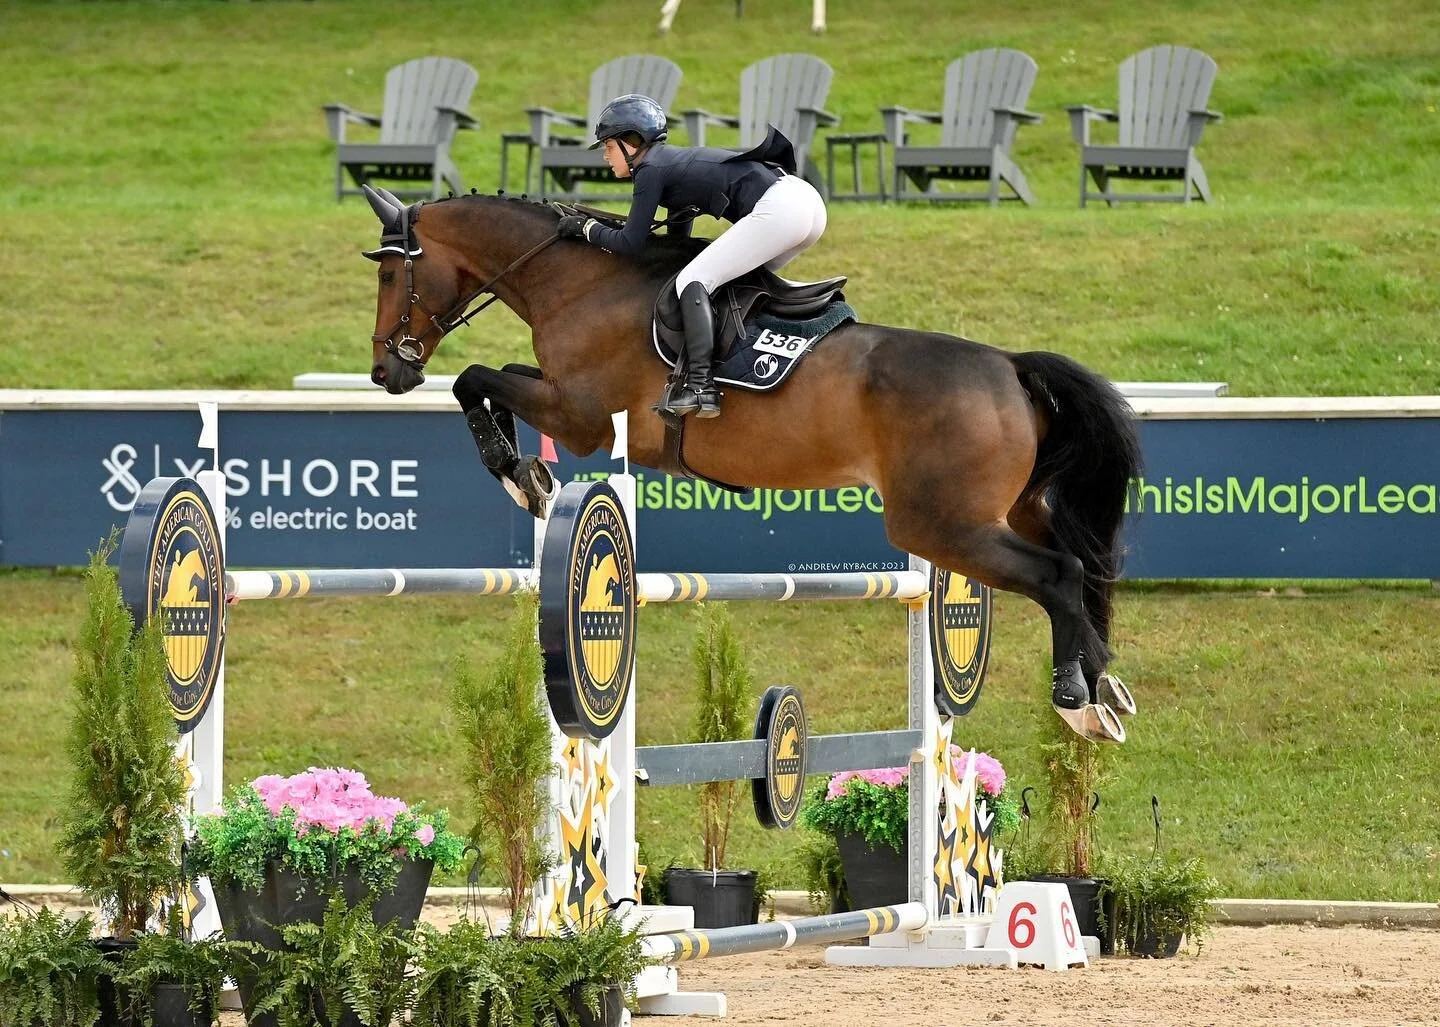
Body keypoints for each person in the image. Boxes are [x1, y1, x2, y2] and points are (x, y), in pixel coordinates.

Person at [556, 94, 828, 418]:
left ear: (632, 142)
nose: (605, 155)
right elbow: (677, 239)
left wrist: (586, 228)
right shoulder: (667, 164)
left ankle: (701, 386)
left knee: (693, 280)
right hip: (807, 203)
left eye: (608, 146)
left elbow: (630, 242)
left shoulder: (650, 169)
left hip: (783, 208)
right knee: (734, 281)